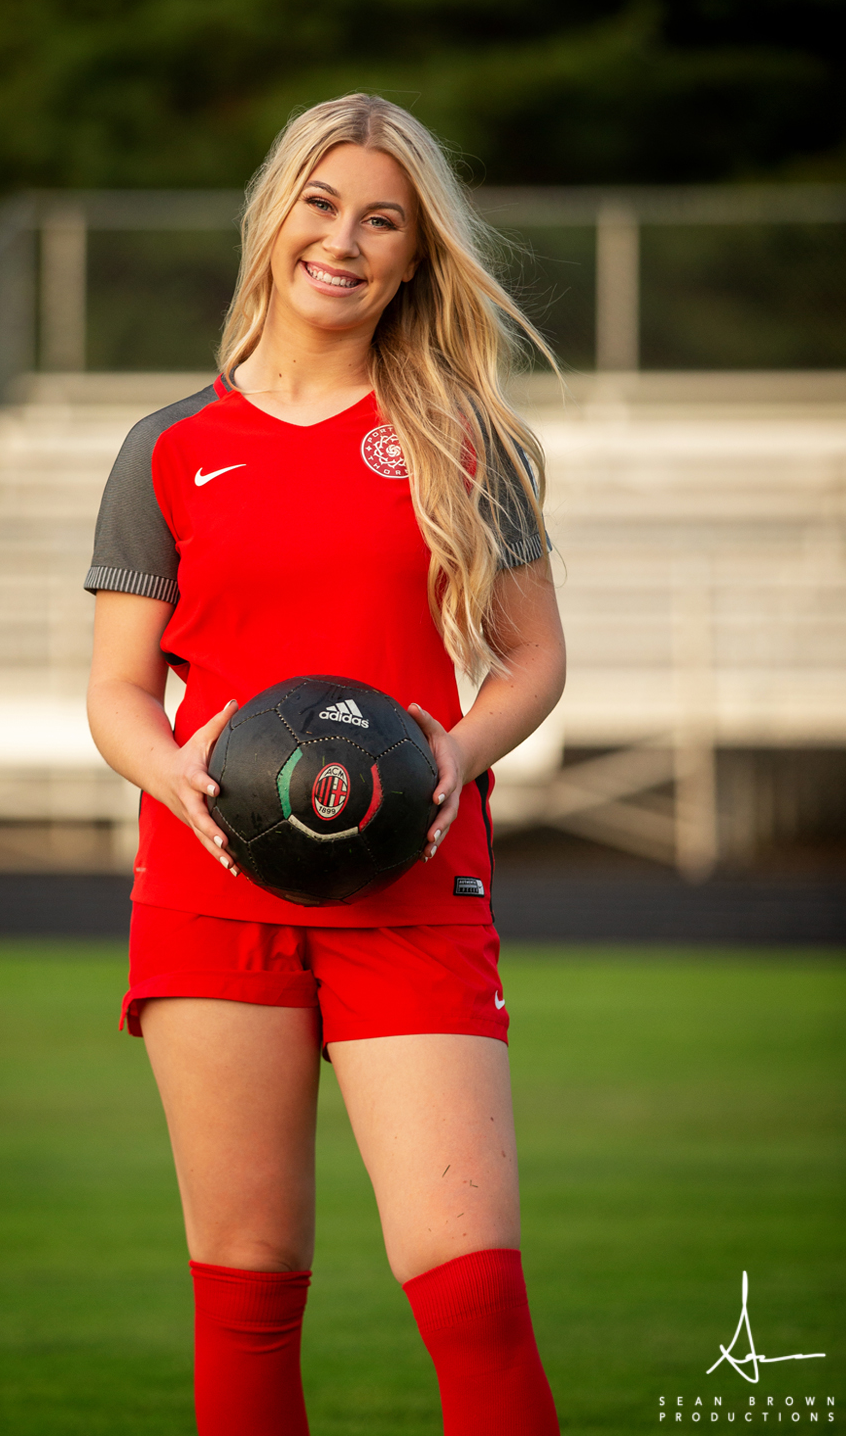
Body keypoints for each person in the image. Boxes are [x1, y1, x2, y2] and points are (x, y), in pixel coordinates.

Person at [85, 94, 567, 1435]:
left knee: (472, 1299)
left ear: (417, 256)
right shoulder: (170, 449)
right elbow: (119, 692)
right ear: (273, 217)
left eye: (382, 221)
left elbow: (531, 661)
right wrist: (177, 777)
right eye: (321, 205)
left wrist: (453, 751)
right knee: (245, 1298)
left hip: (414, 895)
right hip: (207, 893)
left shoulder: (467, 440)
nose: (343, 242)